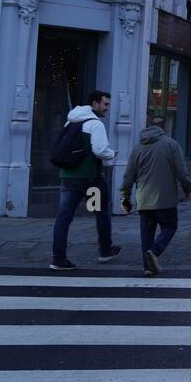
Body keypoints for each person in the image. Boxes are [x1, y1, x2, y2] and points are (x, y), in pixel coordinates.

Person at [51, 90, 121, 270]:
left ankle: (58, 258)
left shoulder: (71, 120)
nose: (106, 108)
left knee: (64, 218)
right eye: (105, 104)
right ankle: (105, 251)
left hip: (68, 177)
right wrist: (112, 153)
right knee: (100, 212)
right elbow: (99, 150)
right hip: (90, 180)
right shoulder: (95, 124)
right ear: (95, 104)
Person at [120, 118, 191, 275]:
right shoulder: (171, 145)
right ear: (163, 129)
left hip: (144, 198)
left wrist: (125, 196)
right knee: (170, 227)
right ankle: (155, 251)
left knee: (146, 233)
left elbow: (128, 177)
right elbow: (182, 172)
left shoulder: (137, 148)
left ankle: (148, 267)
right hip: (165, 199)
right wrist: (187, 188)